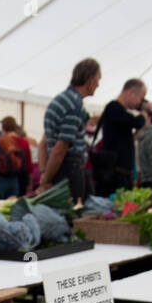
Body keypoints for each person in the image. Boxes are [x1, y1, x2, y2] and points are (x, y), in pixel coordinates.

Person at [41, 58, 101, 200]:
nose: (98, 85)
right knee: (68, 218)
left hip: (60, 169)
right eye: (98, 80)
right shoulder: (74, 106)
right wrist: (45, 181)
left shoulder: (61, 99)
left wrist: (45, 173)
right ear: (90, 80)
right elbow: (60, 149)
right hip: (68, 170)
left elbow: (44, 143)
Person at [95, 77, 147, 190]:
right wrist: (143, 115)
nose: (140, 103)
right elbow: (137, 122)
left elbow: (127, 138)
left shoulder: (120, 112)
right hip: (115, 175)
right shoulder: (114, 108)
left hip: (122, 174)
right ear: (132, 92)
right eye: (141, 98)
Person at [0, 115, 32, 198]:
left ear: (3, 127)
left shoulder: (1, 141)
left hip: (4, 178)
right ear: (15, 126)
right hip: (21, 178)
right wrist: (30, 184)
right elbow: (28, 164)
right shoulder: (24, 142)